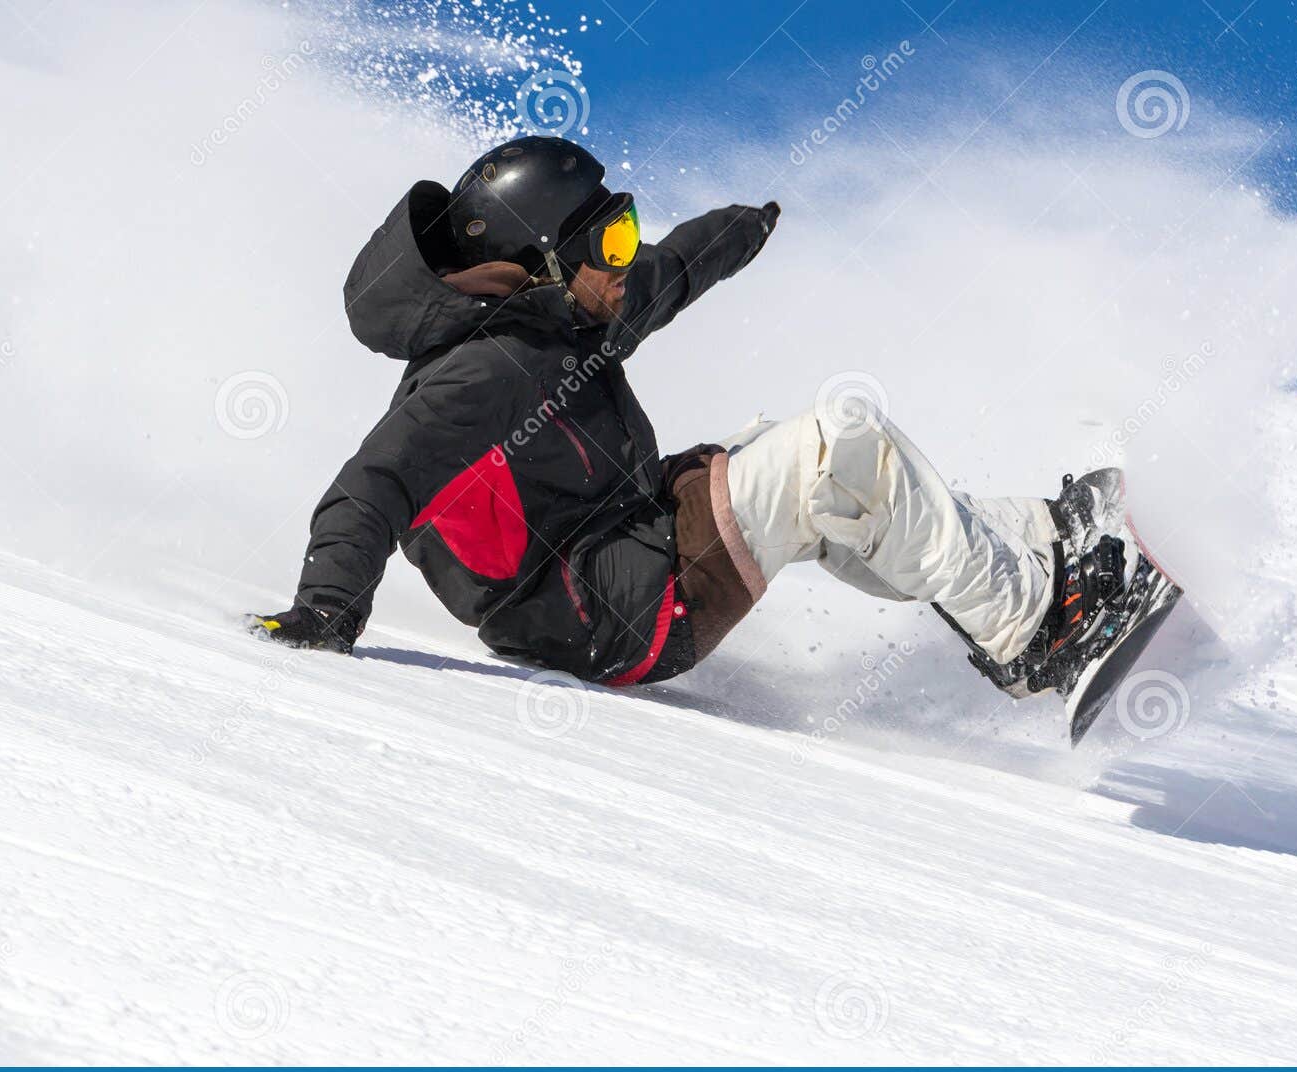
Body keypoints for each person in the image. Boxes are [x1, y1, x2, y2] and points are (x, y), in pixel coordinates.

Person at [249, 136, 1134, 699]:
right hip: (617, 612)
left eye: (627, 229)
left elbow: (669, 278)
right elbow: (376, 482)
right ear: (546, 261)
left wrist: (741, 228)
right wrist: (325, 609)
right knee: (835, 449)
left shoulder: (556, 321)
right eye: (611, 245)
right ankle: (1040, 634)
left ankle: (1041, 544)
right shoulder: (486, 370)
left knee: (815, 480)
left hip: (633, 549)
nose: (626, 261)